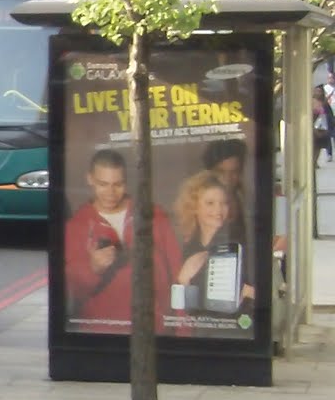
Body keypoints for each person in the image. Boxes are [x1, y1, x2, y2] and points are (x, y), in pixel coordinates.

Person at [62, 148, 181, 334]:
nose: (111, 192)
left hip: (154, 331)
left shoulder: (153, 215)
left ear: (127, 182)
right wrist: (92, 269)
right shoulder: (76, 226)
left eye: (118, 184)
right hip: (102, 334)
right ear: (90, 179)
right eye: (103, 184)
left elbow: (177, 274)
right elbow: (71, 292)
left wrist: (182, 332)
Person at [170, 170, 253, 324]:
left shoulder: (239, 244)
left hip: (233, 328)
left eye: (224, 203)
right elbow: (184, 311)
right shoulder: (189, 247)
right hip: (201, 330)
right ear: (194, 207)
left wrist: (247, 292)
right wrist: (184, 279)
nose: (218, 210)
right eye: (210, 203)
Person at [200, 138, 248, 246]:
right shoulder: (201, 203)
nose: (228, 178)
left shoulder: (247, 201)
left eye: (234, 172)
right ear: (211, 172)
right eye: (221, 172)